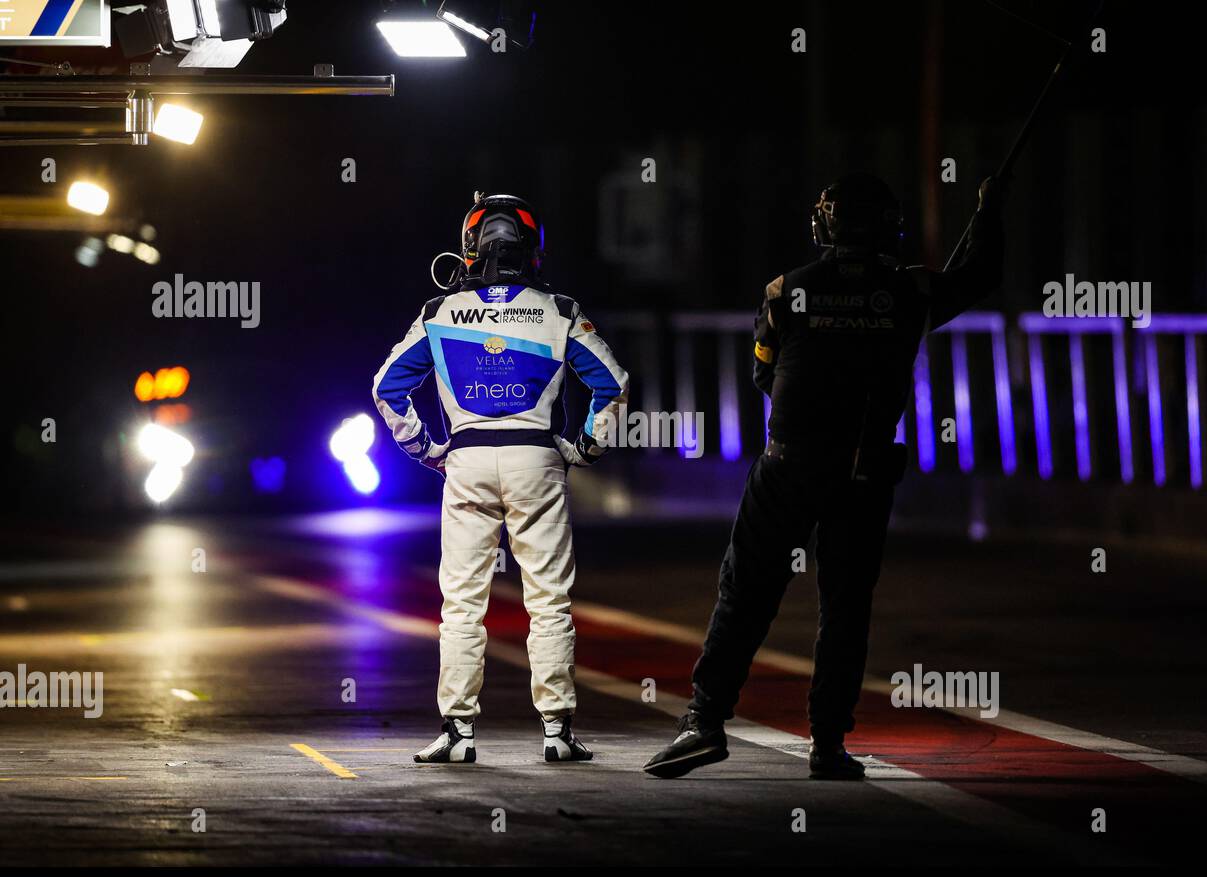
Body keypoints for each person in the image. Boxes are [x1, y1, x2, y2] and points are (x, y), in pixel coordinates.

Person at [644, 173, 1005, 780]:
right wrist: (988, 212)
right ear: (888, 227)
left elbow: (763, 375)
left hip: (786, 464)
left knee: (745, 594)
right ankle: (828, 744)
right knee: (844, 606)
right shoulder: (908, 291)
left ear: (825, 225)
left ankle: (705, 721)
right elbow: (973, 279)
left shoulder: (785, 290)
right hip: (863, 472)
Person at [373, 192, 628, 764]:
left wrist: (427, 449)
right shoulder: (559, 310)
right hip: (536, 459)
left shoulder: (439, 313)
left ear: (469, 246)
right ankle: (557, 734)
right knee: (550, 602)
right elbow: (612, 382)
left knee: (461, 603)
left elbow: (387, 388)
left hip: (465, 462)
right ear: (533, 248)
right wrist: (583, 447)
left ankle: (457, 734)